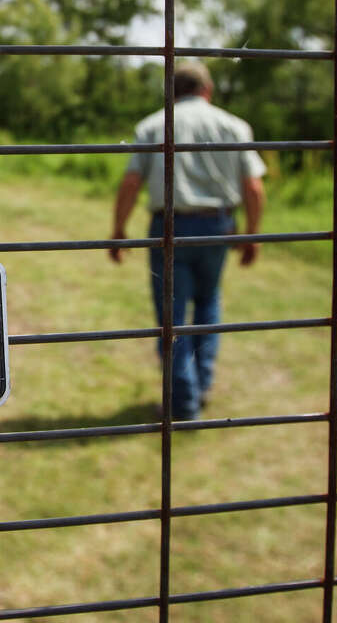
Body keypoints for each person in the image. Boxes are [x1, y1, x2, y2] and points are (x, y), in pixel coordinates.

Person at [109, 60, 266, 421]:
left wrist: (118, 229)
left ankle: (182, 403)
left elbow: (132, 182)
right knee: (208, 303)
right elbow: (254, 186)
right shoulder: (234, 125)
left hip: (169, 229)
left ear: (172, 92)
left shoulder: (153, 125)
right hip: (218, 226)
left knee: (172, 318)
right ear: (207, 91)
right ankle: (201, 384)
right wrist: (253, 235)